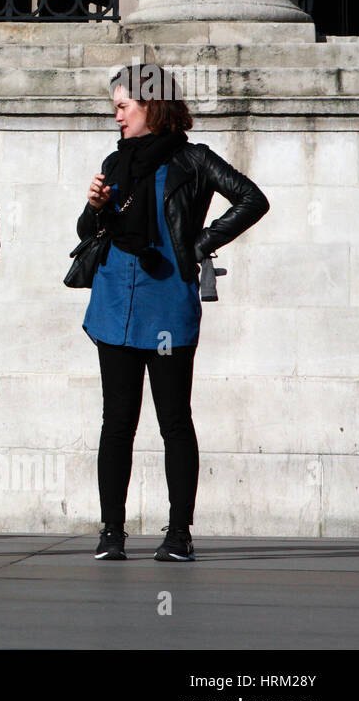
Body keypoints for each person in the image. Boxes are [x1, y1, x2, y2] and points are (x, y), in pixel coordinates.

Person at [80, 64, 268, 562]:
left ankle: (179, 532)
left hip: (167, 303)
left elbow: (253, 198)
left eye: (124, 106)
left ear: (151, 106)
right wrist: (94, 203)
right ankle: (111, 532)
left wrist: (198, 244)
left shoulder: (193, 159)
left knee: (173, 420)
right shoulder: (115, 161)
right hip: (115, 299)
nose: (116, 116)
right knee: (116, 421)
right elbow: (86, 230)